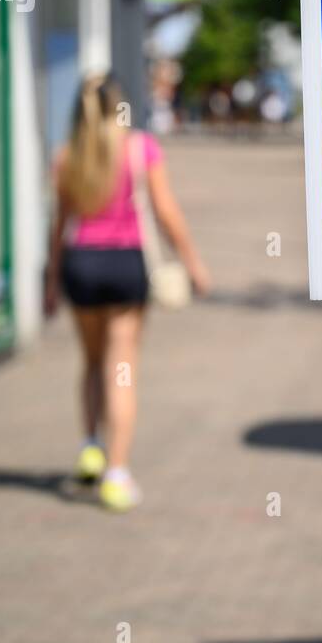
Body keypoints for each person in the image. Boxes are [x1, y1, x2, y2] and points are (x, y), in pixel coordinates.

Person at [45, 74, 210, 512]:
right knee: (122, 368)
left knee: (92, 363)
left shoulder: (67, 156)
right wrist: (193, 264)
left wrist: (50, 281)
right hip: (125, 266)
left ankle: (90, 445)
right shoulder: (139, 149)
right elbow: (166, 211)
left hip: (81, 265)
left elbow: (58, 226)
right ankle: (116, 474)